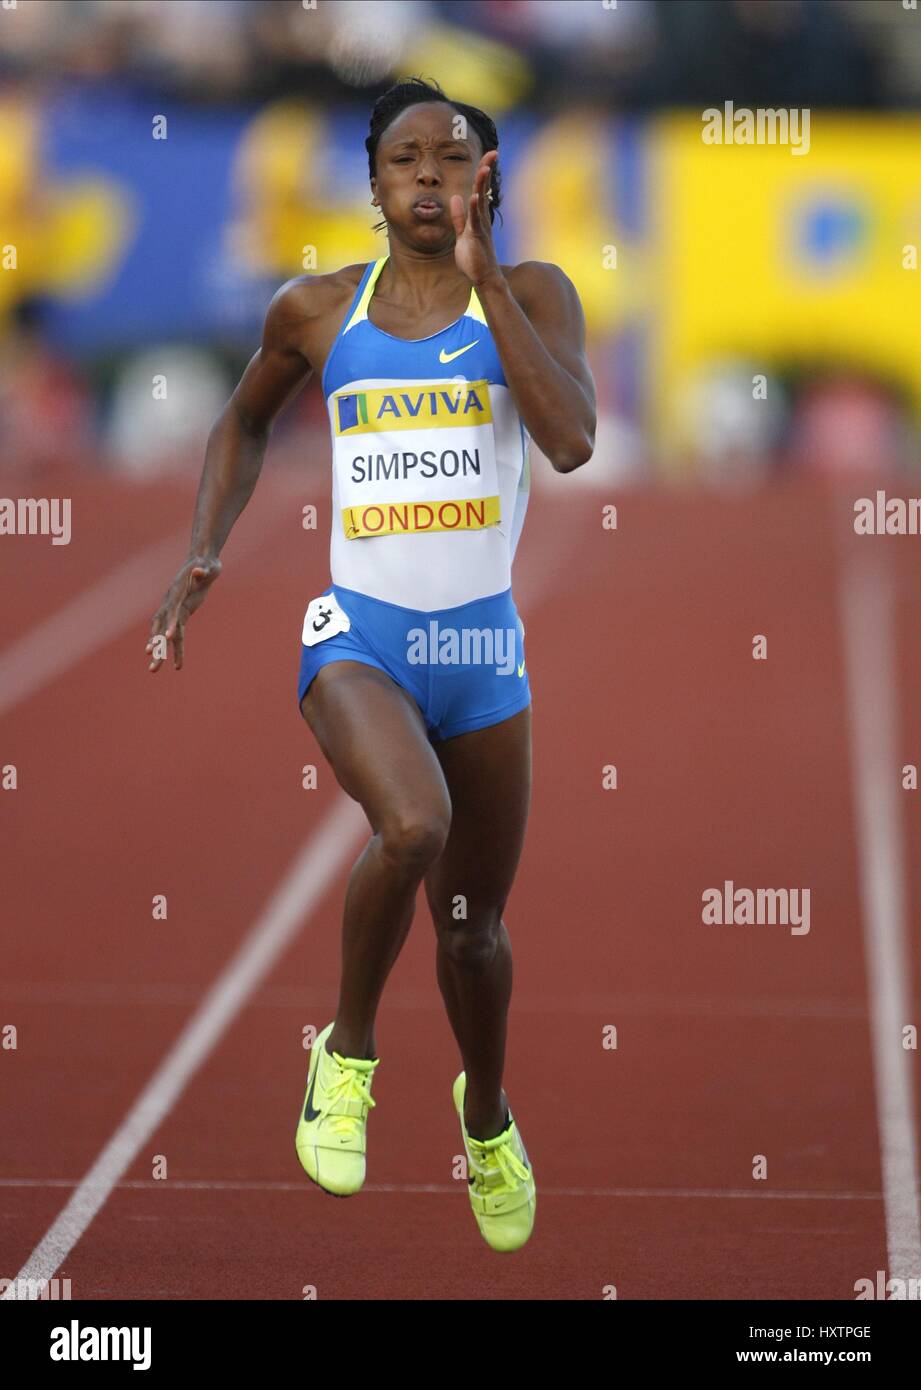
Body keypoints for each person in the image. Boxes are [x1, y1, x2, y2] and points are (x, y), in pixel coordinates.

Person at [147, 76, 595, 1253]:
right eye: (407, 160)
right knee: (412, 826)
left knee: (474, 931)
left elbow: (572, 442)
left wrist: (494, 284)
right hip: (362, 641)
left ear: (485, 179)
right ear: (376, 182)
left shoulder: (536, 295)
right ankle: (344, 1055)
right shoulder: (316, 312)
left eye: (454, 159)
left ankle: (486, 1116)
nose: (431, 178)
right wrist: (205, 551)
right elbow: (242, 420)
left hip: (484, 654)